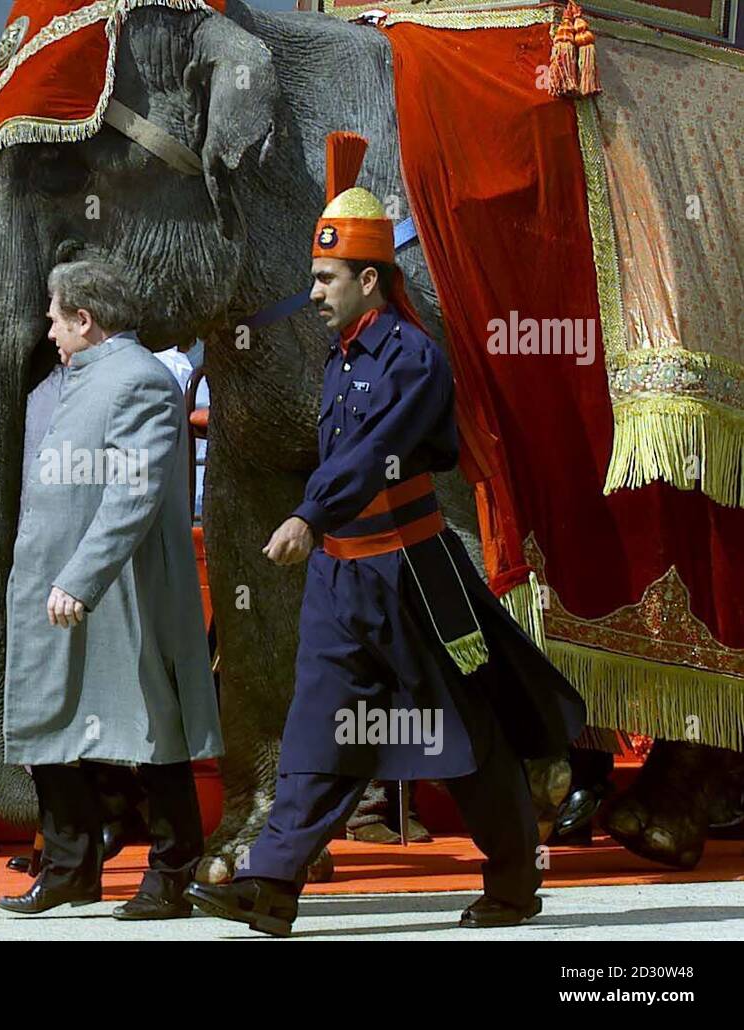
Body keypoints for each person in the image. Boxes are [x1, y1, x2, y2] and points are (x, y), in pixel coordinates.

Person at [185, 133, 586, 936]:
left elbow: (374, 453)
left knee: (464, 735)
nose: (316, 291)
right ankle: (271, 884)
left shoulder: (413, 358)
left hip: (420, 581)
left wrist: (309, 512)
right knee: (316, 728)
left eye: (328, 278)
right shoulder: (339, 359)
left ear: (370, 280)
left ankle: (514, 883)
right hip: (343, 578)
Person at [0, 259, 223, 920]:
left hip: (121, 589)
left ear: (84, 319)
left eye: (54, 313)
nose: (48, 325)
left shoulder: (140, 379)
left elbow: (135, 494)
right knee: (48, 723)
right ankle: (70, 867)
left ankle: (175, 871)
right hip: (51, 585)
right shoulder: (62, 383)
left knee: (151, 731)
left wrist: (82, 578)